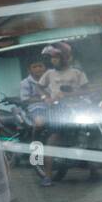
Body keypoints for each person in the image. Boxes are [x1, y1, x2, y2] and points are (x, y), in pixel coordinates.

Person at [35, 42, 88, 186]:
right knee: (53, 139)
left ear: (65, 57)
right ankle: (47, 176)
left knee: (91, 133)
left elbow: (86, 90)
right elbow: (39, 87)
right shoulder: (49, 73)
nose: (53, 60)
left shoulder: (77, 72)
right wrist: (46, 98)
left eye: (56, 57)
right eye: (51, 58)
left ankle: (94, 168)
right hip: (59, 111)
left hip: (77, 110)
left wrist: (72, 93)